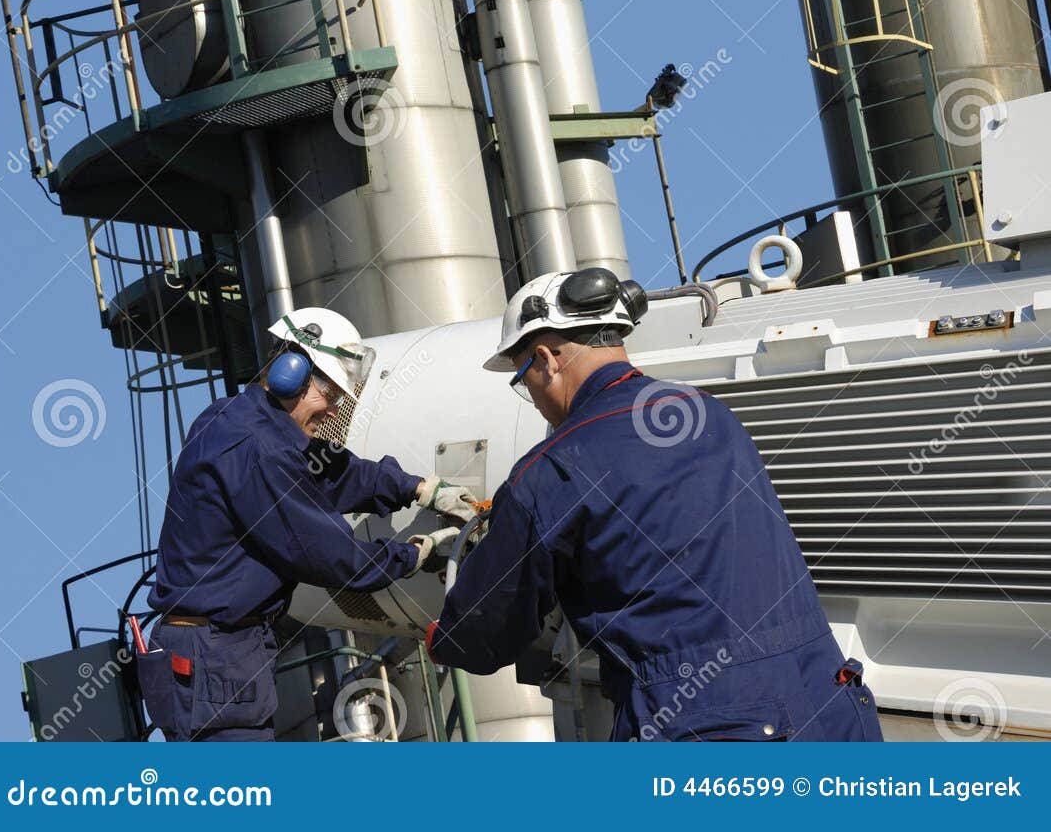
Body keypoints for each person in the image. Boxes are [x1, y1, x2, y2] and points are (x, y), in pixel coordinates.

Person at [428, 268, 883, 743]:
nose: (535, 400)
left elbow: (485, 634)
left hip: (709, 728)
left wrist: (443, 640)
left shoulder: (552, 471)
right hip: (831, 707)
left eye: (524, 379)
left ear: (546, 358)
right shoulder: (711, 414)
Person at [138, 308, 472, 741]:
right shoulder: (257, 449)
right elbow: (334, 557)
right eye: (329, 394)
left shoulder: (236, 420)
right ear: (289, 372)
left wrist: (417, 487)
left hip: (219, 651)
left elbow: (331, 473)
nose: (333, 411)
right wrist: (413, 555)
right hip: (214, 657)